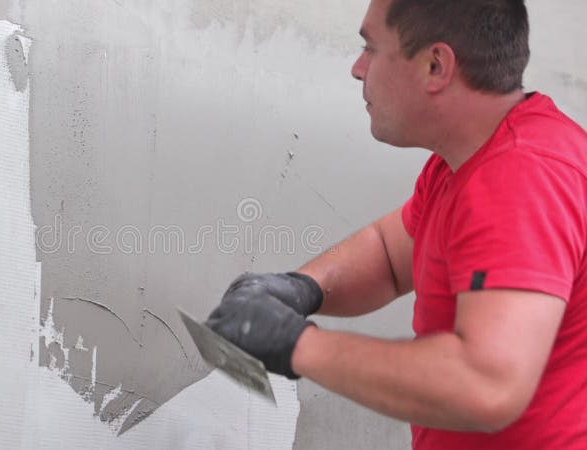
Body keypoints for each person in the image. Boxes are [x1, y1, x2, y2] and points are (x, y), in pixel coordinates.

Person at [205, 0, 587, 448]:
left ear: (435, 65)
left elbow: (487, 384)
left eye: (370, 48)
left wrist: (294, 344)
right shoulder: (467, 160)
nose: (356, 68)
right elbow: (389, 255)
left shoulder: (522, 178)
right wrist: (298, 289)